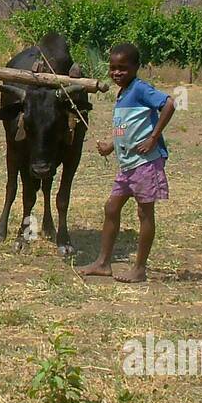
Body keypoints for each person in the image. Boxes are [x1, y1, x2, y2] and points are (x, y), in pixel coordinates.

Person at [77, 43, 175, 284]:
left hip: (145, 163)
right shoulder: (122, 94)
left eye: (123, 68)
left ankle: (139, 268)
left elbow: (169, 104)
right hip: (127, 165)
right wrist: (111, 145)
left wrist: (153, 138)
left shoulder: (140, 89)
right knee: (111, 208)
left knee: (144, 212)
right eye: (113, 68)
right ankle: (103, 263)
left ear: (135, 68)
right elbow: (127, 125)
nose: (116, 73)